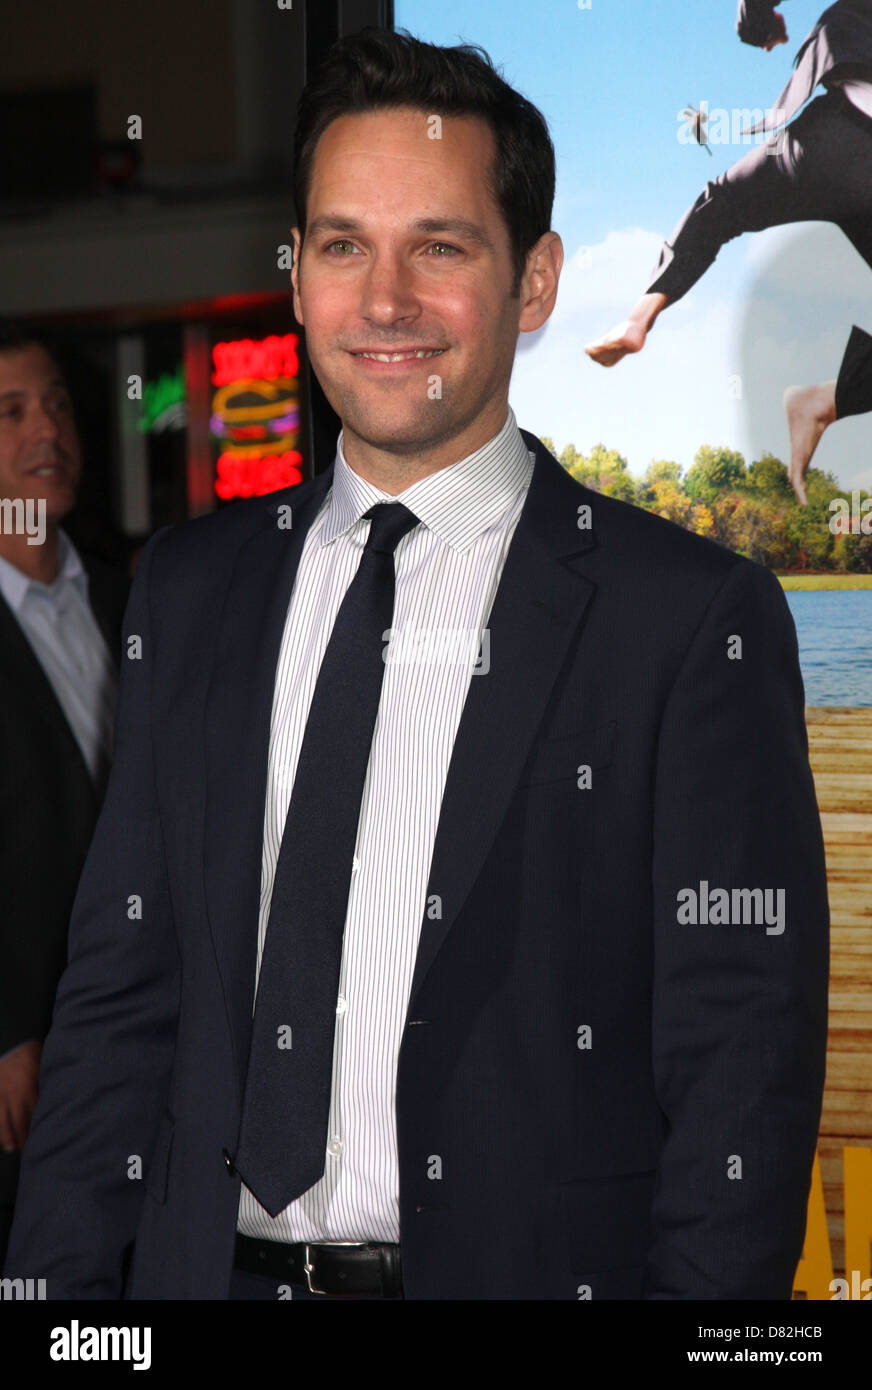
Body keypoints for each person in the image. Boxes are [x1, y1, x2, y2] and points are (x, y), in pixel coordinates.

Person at [4, 27, 828, 1302]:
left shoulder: (685, 621)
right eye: (343, 247)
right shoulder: (192, 589)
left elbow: (741, 1074)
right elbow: (117, 1006)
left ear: (534, 282)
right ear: (296, 277)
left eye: (437, 247)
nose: (383, 303)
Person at [585, 0, 872, 503]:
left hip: (840, 136)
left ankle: (638, 319)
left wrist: (757, 17)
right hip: (847, 132)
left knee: (723, 203)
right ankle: (825, 401)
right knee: (726, 202)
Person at [0, 323, 129, 1271]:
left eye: (56, 406)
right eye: (10, 412)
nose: (47, 430)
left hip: (139, 1040)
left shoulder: (134, 599)